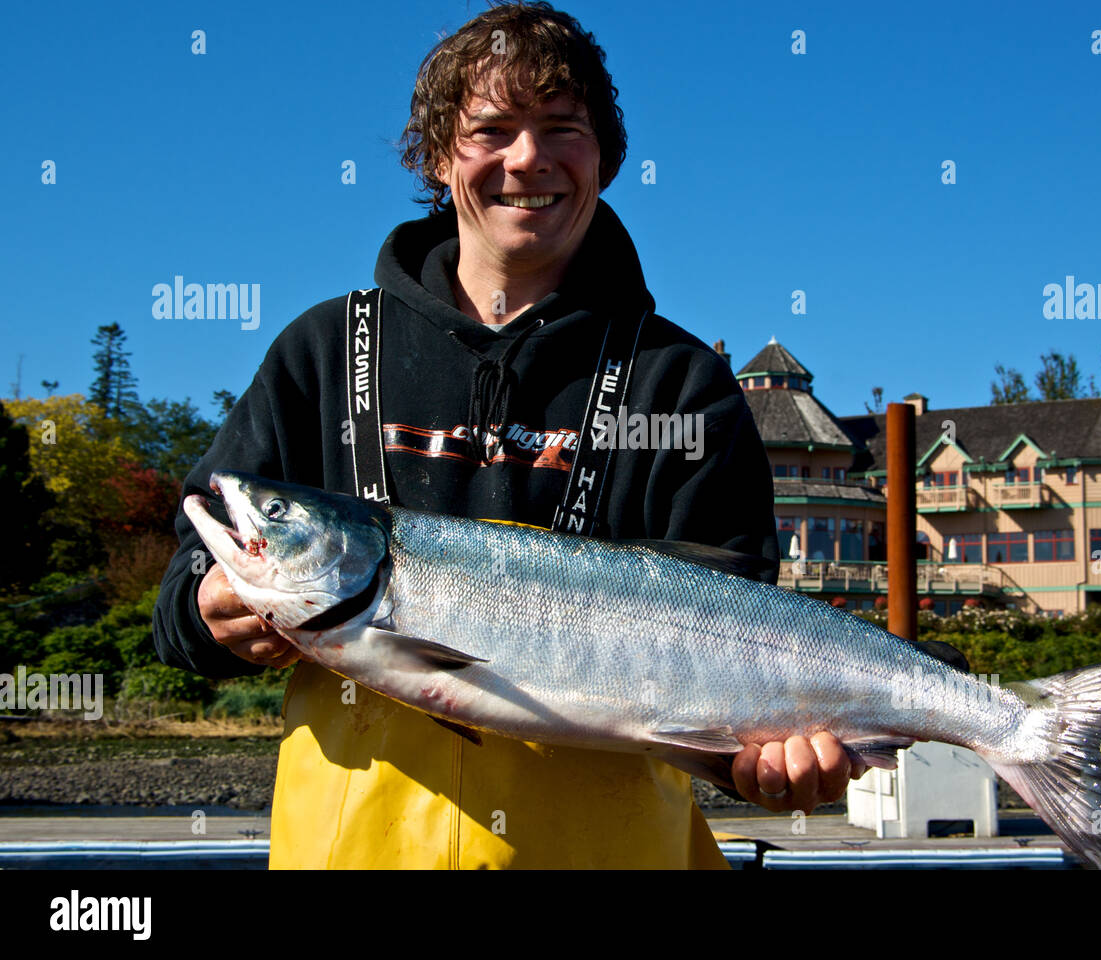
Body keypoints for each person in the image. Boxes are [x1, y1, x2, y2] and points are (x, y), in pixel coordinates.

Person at [153, 1, 865, 868]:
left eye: (562, 127)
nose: (527, 158)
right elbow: (183, 592)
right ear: (437, 157)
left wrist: (764, 766)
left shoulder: (679, 382)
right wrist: (207, 611)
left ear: (602, 154)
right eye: (491, 129)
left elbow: (732, 651)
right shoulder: (323, 352)